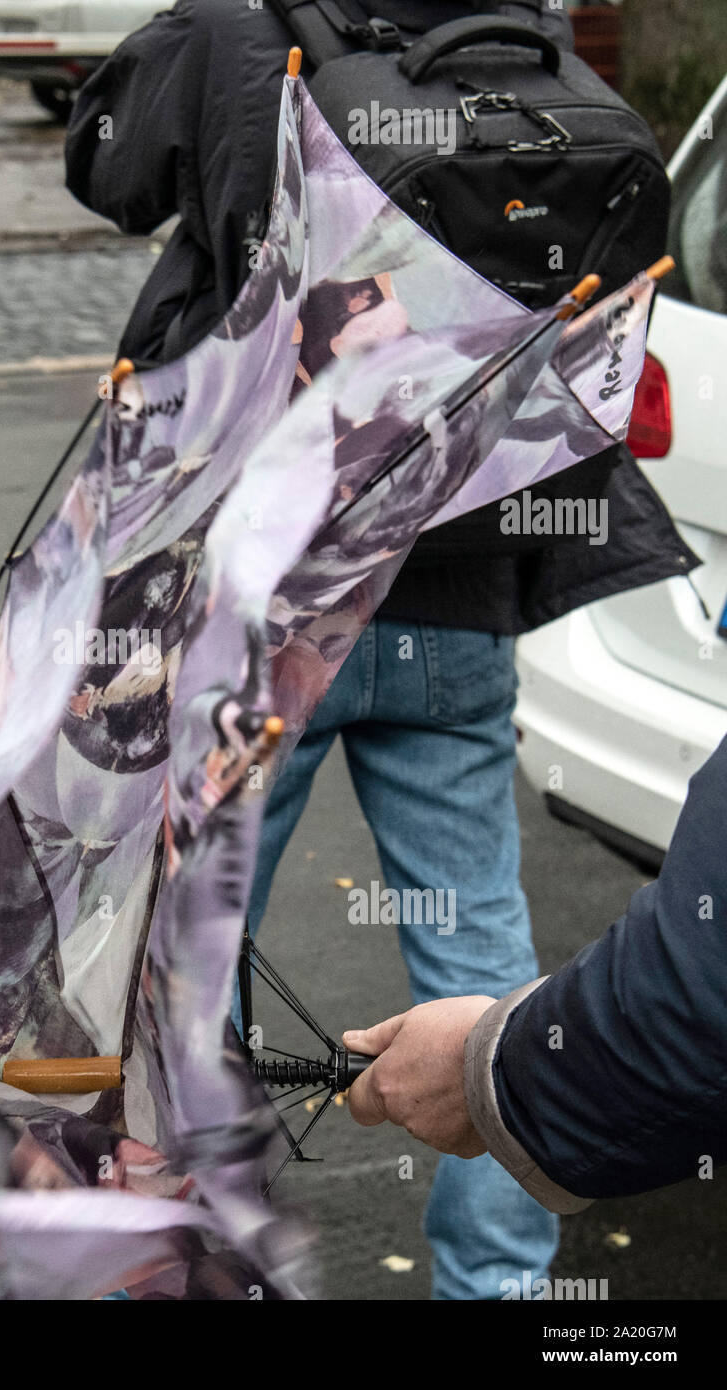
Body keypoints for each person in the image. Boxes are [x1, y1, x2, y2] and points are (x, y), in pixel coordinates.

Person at [65, 0, 698, 1298]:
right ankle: (501, 1277)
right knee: (475, 946)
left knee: (184, 947)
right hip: (463, 590)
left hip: (269, 605)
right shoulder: (527, 45)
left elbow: (106, 163)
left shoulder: (238, 36)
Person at [344, 736, 727, 1214]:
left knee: (223, 927)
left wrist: (489, 1069)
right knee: (474, 937)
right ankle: (502, 1277)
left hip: (269, 671)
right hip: (457, 675)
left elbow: (697, 994)